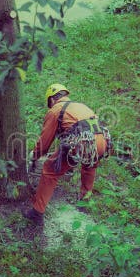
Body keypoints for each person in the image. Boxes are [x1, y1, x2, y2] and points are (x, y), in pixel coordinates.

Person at [22, 83, 110, 224]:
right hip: (101, 141)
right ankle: (85, 203)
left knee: (50, 170)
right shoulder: (80, 106)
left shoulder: (55, 110)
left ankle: (37, 212)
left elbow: (45, 141)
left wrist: (35, 155)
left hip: (81, 142)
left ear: (51, 99)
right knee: (89, 167)